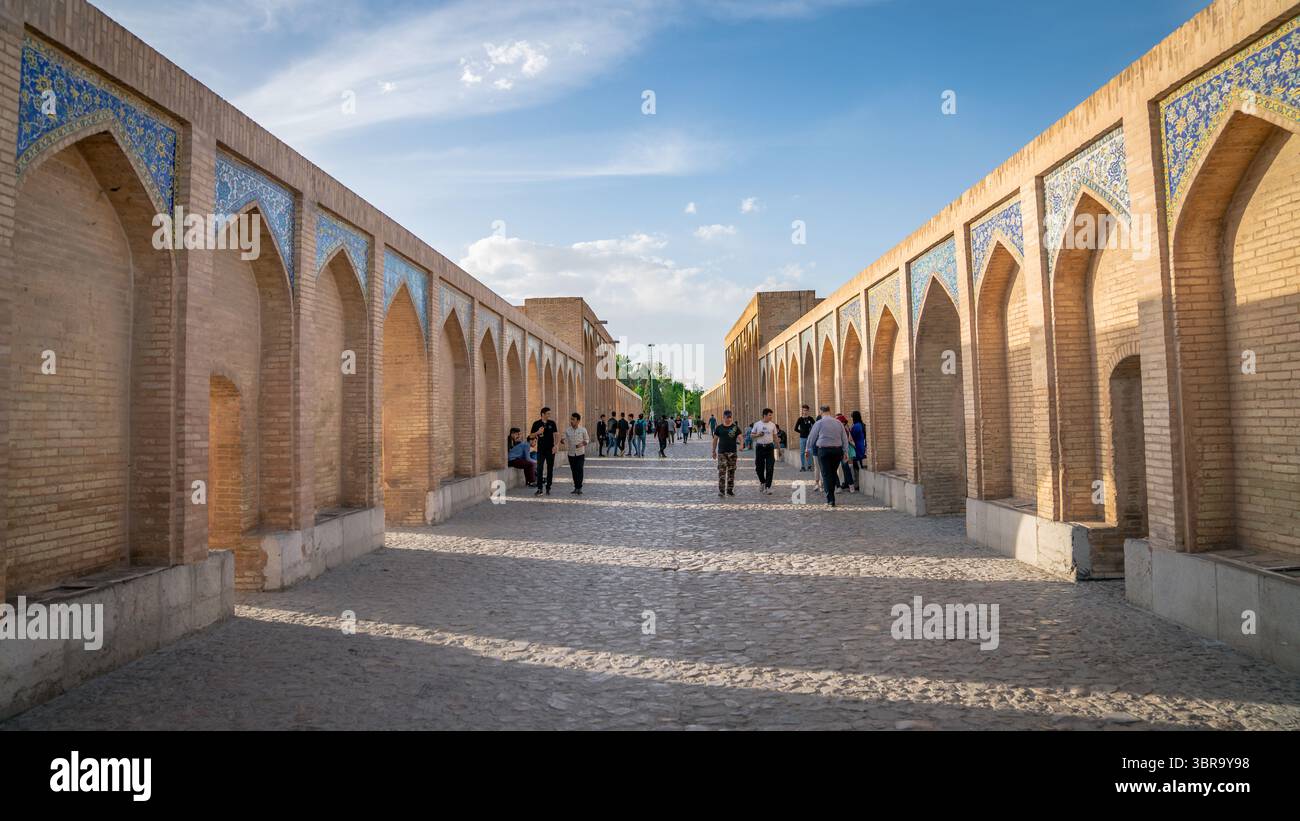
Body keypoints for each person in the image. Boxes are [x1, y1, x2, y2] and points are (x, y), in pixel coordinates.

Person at [805, 405, 850, 506]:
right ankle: (832, 495)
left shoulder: (819, 423)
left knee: (826, 474)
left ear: (821, 412)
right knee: (833, 472)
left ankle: (830, 499)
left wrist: (807, 449)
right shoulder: (838, 423)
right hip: (837, 451)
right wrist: (845, 452)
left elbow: (812, 437)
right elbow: (844, 438)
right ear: (830, 411)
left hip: (824, 451)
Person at [712, 410, 742, 497]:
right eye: (727, 417)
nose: (728, 419)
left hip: (732, 453)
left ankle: (729, 489)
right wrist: (713, 451)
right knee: (722, 472)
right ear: (723, 417)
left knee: (731, 471)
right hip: (722, 453)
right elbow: (715, 440)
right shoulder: (719, 428)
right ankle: (721, 491)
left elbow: (740, 437)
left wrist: (741, 445)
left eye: (730, 417)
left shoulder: (735, 428)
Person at [530, 406, 559, 495]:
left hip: (550, 449)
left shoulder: (552, 423)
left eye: (550, 414)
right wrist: (537, 433)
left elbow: (556, 435)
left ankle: (548, 487)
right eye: (548, 414)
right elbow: (531, 436)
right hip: (541, 450)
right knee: (539, 468)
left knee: (550, 469)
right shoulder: (536, 423)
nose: (549, 415)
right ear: (543, 414)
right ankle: (539, 488)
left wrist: (556, 445)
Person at [750, 408, 778, 495]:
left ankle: (768, 487)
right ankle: (762, 482)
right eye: (770, 415)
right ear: (764, 415)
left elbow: (775, 437)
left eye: (771, 415)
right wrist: (758, 434)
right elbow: (751, 435)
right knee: (759, 468)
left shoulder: (773, 425)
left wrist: (779, 449)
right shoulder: (757, 424)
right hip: (760, 448)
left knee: (770, 468)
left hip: (770, 447)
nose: (771, 417)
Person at [563, 412, 589, 494]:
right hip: (571, 454)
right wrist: (562, 440)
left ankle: (579, 487)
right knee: (574, 471)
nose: (571, 421)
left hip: (580, 454)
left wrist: (582, 444)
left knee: (579, 469)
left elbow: (587, 440)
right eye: (571, 419)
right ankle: (576, 487)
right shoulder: (568, 430)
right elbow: (564, 438)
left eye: (573, 419)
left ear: (578, 421)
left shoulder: (583, 430)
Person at [794, 406, 816, 472]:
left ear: (808, 411)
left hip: (809, 438)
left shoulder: (811, 418)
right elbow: (795, 429)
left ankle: (809, 466)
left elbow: (815, 427)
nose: (805, 412)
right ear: (802, 411)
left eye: (806, 410)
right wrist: (801, 432)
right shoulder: (800, 419)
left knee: (809, 452)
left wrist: (811, 433)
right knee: (802, 452)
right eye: (804, 410)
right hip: (802, 438)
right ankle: (803, 466)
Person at [849, 410, 866, 492]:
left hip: (857, 448)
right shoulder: (861, 425)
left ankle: (858, 484)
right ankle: (858, 484)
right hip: (861, 446)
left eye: (852, 417)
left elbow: (851, 436)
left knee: (857, 467)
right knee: (858, 466)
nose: (851, 418)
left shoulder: (856, 426)